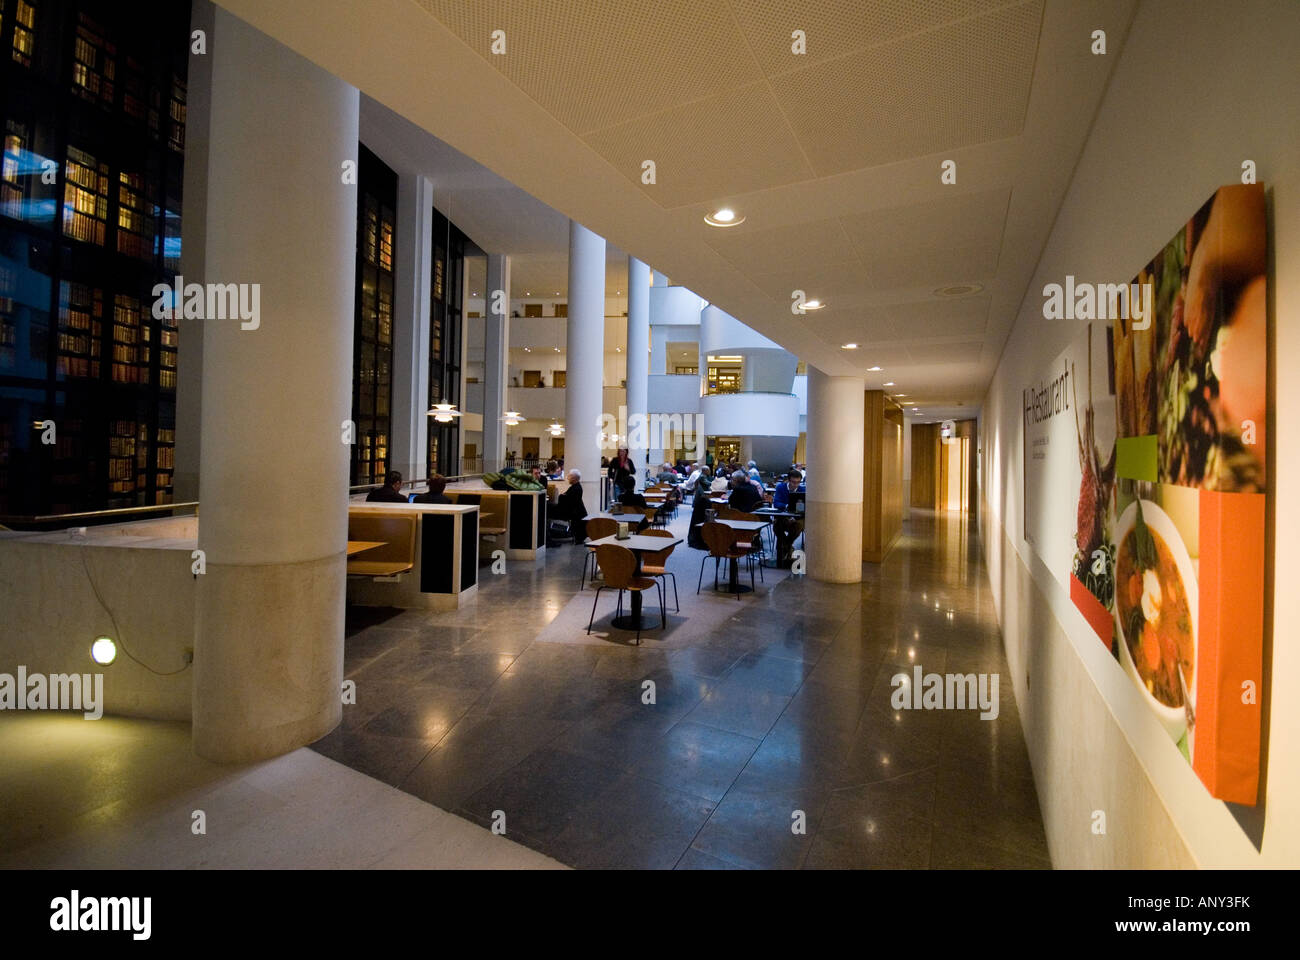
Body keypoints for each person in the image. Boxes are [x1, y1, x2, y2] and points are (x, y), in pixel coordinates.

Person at [552, 468, 588, 542]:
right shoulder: (576, 487)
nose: (568, 477)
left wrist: (561, 496)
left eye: (569, 476)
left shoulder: (576, 488)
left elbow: (565, 500)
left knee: (548, 510)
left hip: (572, 513)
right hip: (575, 511)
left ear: (574, 478)